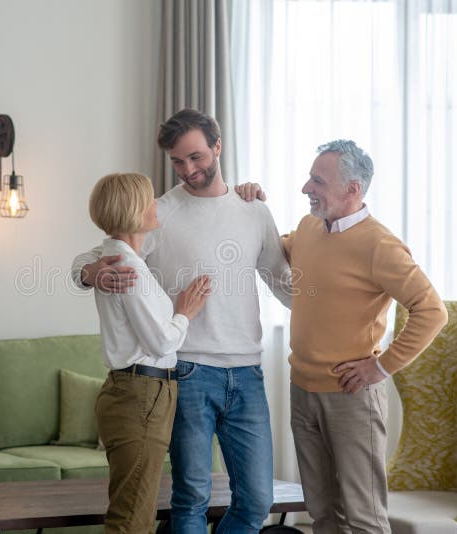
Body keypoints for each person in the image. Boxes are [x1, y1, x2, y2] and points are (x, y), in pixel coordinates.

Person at [72, 109, 293, 533]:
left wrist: (334, 299)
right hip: (187, 372)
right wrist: (88, 272)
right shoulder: (159, 211)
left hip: (247, 372)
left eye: (196, 157)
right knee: (190, 497)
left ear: (217, 146)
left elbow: (283, 283)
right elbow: (101, 252)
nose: (189, 170)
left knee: (257, 500)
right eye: (177, 161)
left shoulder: (253, 210)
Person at [282, 140, 448, 533]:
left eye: (318, 181)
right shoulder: (307, 228)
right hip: (301, 391)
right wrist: (247, 203)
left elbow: (432, 311)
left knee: (364, 517)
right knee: (322, 513)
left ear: (352, 190)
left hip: (352, 396)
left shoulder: (380, 245)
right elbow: (271, 249)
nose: (307, 188)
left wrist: (382, 366)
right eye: (310, 178)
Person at [88, 172, 211, 534]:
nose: (156, 205)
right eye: (150, 200)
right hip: (142, 396)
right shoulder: (129, 270)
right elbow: (159, 342)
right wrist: (184, 313)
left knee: (132, 511)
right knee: (132, 519)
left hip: (134, 393)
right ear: (133, 210)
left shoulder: (111, 257)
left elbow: (83, 264)